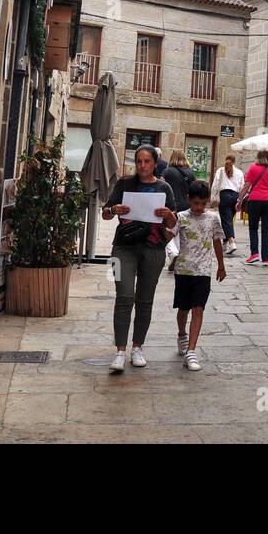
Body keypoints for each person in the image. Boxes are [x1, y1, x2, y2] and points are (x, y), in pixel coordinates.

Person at [101, 145, 178, 373]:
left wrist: (169, 215)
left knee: (145, 300)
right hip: (124, 247)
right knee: (124, 297)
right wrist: (114, 209)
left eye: (146, 161)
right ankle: (120, 351)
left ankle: (137, 347)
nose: (142, 166)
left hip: (153, 249)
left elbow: (172, 224)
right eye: (139, 161)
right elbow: (105, 213)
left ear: (155, 163)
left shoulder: (164, 188)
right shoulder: (124, 184)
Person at [166, 179, 226, 372]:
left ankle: (191, 351)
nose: (199, 208)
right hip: (183, 270)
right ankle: (182, 334)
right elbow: (168, 236)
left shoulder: (213, 219)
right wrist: (166, 220)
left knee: (198, 308)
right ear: (188, 200)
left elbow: (217, 241)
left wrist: (221, 266)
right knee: (183, 309)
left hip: (203, 271)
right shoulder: (181, 217)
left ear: (207, 201)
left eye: (202, 204)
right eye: (195, 204)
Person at [235, 150, 268, 267]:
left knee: (253, 228)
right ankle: (266, 259)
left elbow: (247, 185)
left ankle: (254, 254)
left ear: (258, 157)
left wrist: (239, 200)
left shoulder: (253, 168)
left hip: (255, 200)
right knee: (266, 230)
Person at [161, 150, 194, 272]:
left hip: (171, 207)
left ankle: (172, 252)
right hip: (186, 206)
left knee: (167, 231)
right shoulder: (190, 173)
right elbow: (194, 189)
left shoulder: (167, 171)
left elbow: (161, 187)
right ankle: (179, 256)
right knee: (181, 232)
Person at [210, 154, 244, 256]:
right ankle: (225, 242)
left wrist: (212, 196)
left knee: (226, 220)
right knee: (228, 220)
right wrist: (240, 200)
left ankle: (231, 243)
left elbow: (215, 184)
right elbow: (242, 186)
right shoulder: (240, 172)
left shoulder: (220, 170)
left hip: (224, 196)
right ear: (234, 162)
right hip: (235, 196)